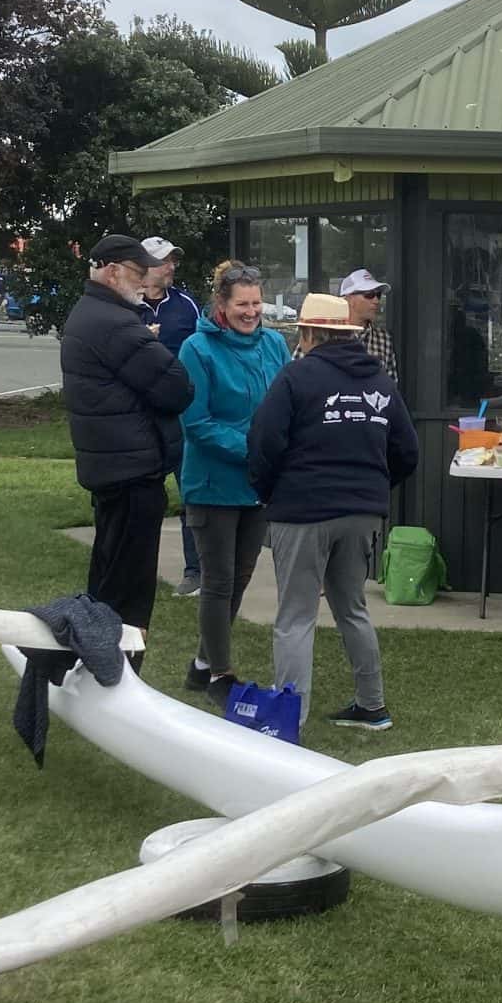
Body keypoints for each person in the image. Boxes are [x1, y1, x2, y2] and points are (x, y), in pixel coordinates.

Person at [246, 291, 420, 730]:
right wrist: (372, 488)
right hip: (361, 514)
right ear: (346, 333)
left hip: (301, 510)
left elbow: (264, 443)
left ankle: (288, 719)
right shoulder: (379, 382)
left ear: (309, 332)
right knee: (352, 608)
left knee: (295, 617)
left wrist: (270, 492)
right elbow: (408, 452)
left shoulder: (294, 378)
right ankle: (372, 706)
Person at [62, 234, 192, 633]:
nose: (144, 280)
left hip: (113, 469)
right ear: (112, 270)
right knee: (128, 595)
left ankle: (95, 671)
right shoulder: (116, 323)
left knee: (107, 579)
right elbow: (178, 388)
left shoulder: (92, 313)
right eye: (138, 272)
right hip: (132, 472)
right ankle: (117, 676)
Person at [175, 260, 292, 703]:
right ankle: (220, 675)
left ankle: (202, 664)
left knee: (241, 577)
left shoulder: (274, 346)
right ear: (221, 305)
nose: (251, 311)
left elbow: (286, 405)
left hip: (257, 486)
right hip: (212, 484)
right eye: (242, 304)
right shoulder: (196, 349)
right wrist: (256, 448)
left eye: (257, 302)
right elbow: (196, 423)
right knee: (219, 580)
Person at [139, 238, 205, 593]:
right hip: (138, 418)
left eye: (173, 261)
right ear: (146, 264)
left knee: (189, 491)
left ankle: (194, 571)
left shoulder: (187, 305)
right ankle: (136, 569)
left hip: (179, 416)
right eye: (165, 261)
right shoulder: (125, 306)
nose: (172, 267)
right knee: (141, 497)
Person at [339, 269, 398, 375]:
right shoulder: (324, 335)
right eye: (369, 295)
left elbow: (390, 386)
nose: (376, 301)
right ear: (350, 299)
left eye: (378, 295)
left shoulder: (383, 338)